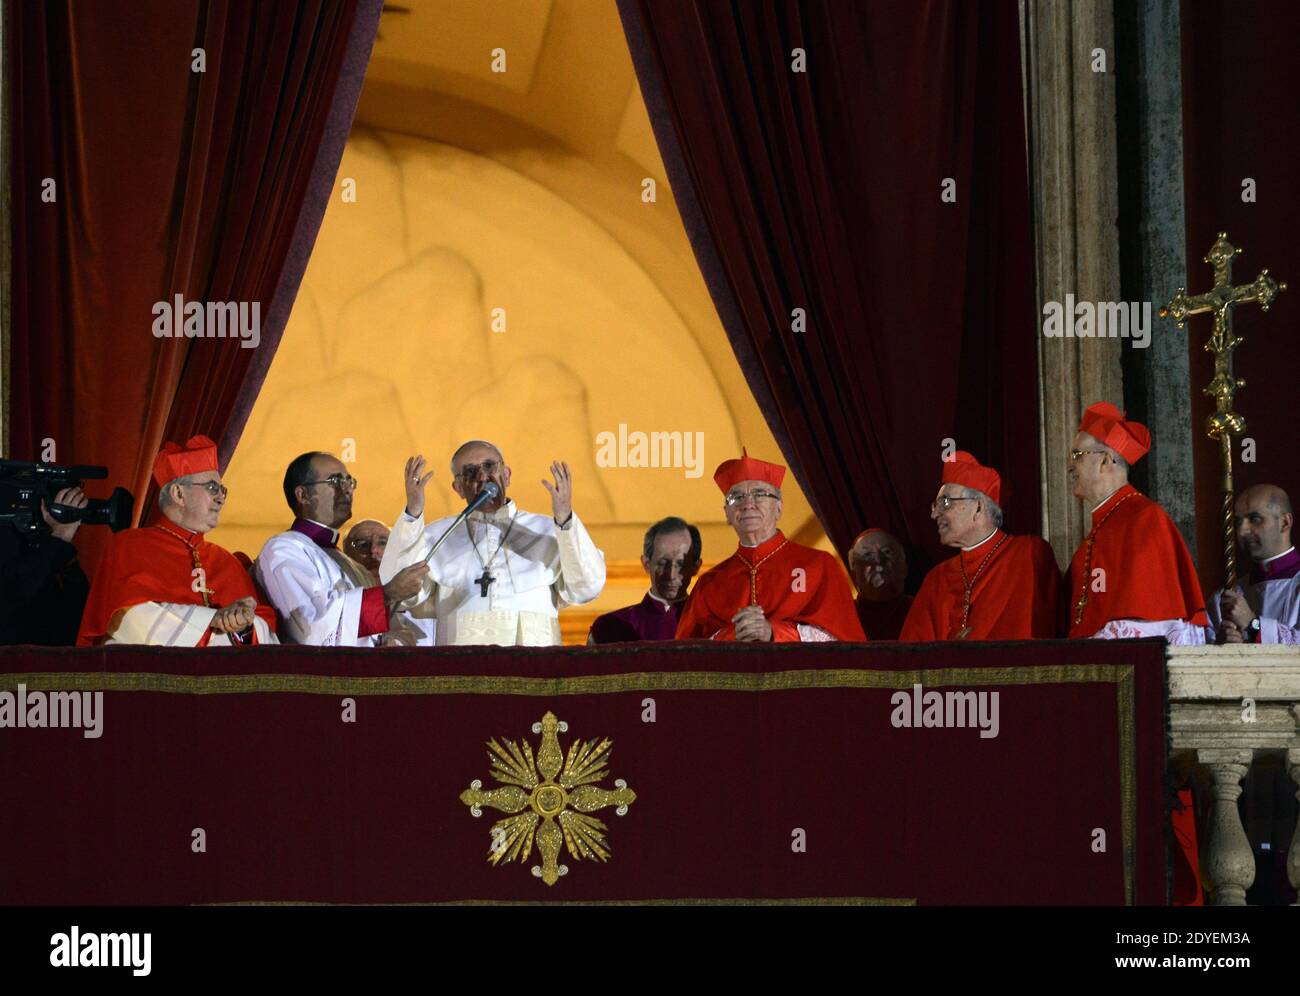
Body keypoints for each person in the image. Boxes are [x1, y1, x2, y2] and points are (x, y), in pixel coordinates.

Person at [380, 441, 606, 646]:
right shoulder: (437, 535)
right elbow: (402, 590)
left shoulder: (548, 529)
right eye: (470, 472)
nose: (482, 477)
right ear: (457, 488)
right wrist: (413, 513)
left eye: (490, 466)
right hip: (461, 672)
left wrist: (566, 520)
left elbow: (586, 588)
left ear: (506, 475)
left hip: (535, 670)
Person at [77, 435, 277, 646]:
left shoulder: (228, 561)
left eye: (222, 490)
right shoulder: (129, 545)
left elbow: (263, 629)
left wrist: (243, 624)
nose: (221, 498)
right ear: (178, 493)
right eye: (212, 488)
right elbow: (131, 618)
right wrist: (214, 621)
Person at [675, 450, 864, 641]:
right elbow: (683, 657)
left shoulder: (819, 565)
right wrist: (733, 635)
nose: (747, 504)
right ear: (727, 514)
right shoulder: (708, 584)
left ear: (779, 507)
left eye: (759, 494)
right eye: (736, 497)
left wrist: (774, 632)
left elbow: (843, 643)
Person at [1066, 403, 1207, 641]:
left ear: (1105, 461)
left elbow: (1152, 621)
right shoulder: (1100, 527)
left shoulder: (1145, 519)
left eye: (1077, 455)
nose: (1070, 466)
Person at [255, 452, 427, 646]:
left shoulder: (354, 566)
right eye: (335, 481)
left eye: (349, 481)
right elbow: (309, 627)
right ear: (303, 495)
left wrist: (394, 640)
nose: (347, 489)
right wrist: (388, 594)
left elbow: (395, 627)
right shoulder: (283, 548)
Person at [900, 452, 1059, 641]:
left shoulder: (1027, 553)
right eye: (935, 505)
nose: (934, 514)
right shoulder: (937, 578)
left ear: (978, 507)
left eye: (945, 502)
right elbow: (913, 651)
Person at [1209, 484, 1300, 644]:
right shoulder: (1225, 599)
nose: (1242, 531)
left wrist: (1253, 625)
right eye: (1238, 522)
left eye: (1254, 519)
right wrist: (1221, 648)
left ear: (1285, 523)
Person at [588, 516, 701, 644]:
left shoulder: (711, 627)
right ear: (647, 564)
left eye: (680, 564)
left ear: (696, 567)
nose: (671, 575)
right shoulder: (609, 628)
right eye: (663, 563)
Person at [0, 485, 90, 645]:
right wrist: (60, 535)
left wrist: (60, 551)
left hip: (58, 651)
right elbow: (13, 592)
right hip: (26, 660)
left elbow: (78, 611)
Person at [848, 528, 912, 640]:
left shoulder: (923, 608)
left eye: (887, 552)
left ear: (904, 568)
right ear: (854, 576)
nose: (878, 561)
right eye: (867, 555)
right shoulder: (844, 616)